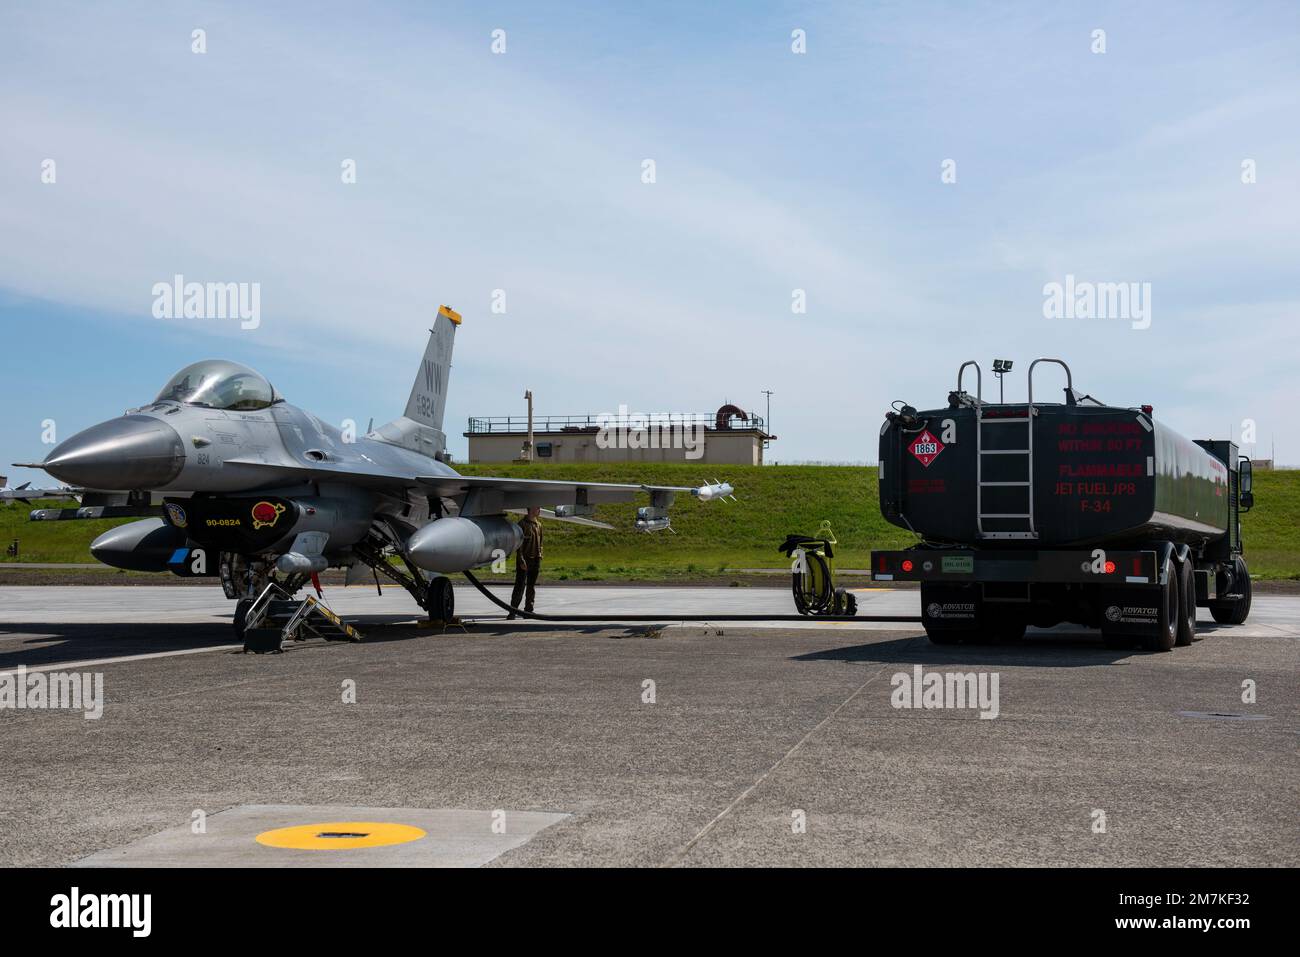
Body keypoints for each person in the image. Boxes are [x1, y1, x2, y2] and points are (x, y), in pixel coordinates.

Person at [509, 506, 543, 618]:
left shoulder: (539, 525)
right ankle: (513, 611)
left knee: (531, 586)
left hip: (535, 559)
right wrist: (521, 560)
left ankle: (528, 610)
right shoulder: (522, 524)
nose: (539, 510)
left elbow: (540, 542)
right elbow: (518, 546)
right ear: (532, 510)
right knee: (520, 586)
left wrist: (540, 555)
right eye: (537, 508)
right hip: (524, 560)